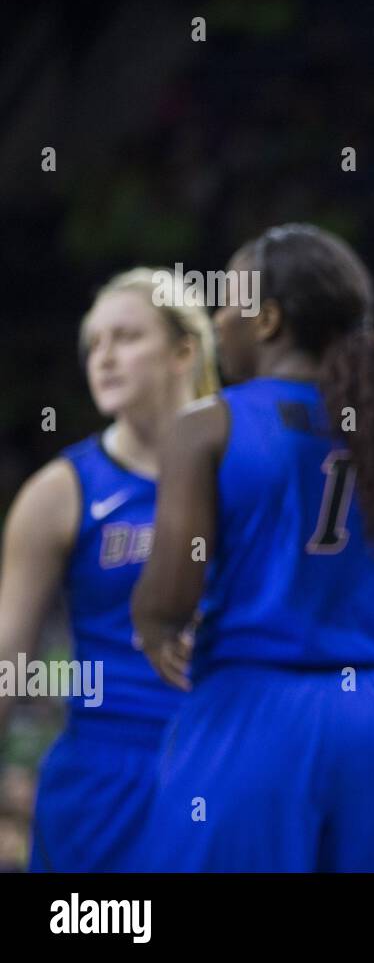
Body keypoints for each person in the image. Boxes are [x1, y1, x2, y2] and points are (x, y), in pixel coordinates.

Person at [130, 224, 374, 871]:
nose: (217, 320)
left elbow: (170, 596)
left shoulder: (206, 426)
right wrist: (351, 626)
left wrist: (153, 627)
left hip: (256, 706)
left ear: (266, 320)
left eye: (227, 303)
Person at [0, 268, 217, 871]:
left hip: (225, 761)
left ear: (183, 350)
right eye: (93, 344)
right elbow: (7, 664)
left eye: (125, 338)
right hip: (102, 772)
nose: (105, 358)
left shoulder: (246, 472)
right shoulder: (60, 491)